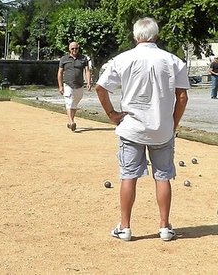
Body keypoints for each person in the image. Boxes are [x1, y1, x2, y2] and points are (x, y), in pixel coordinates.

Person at [95, 18, 189, 242]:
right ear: (156, 36)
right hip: (162, 127)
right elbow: (182, 96)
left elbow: (100, 87)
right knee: (163, 176)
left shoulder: (123, 59)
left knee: (128, 176)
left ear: (136, 36)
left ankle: (125, 227)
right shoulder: (173, 60)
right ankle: (165, 227)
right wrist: (172, 123)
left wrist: (112, 114)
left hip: (132, 127)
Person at [57, 41, 91, 131]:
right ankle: (72, 122)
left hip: (79, 85)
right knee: (69, 102)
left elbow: (87, 71)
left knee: (75, 103)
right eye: (72, 48)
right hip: (68, 84)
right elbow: (60, 73)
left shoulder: (83, 58)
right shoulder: (64, 59)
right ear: (69, 49)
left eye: (76, 48)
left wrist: (88, 82)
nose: (74, 50)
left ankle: (69, 121)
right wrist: (60, 86)